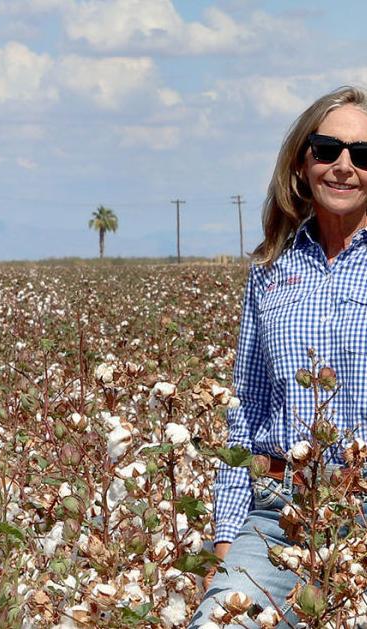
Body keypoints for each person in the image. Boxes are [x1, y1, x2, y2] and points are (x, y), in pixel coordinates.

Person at [191, 85, 367, 627]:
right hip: (279, 512)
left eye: (363, 154)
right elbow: (247, 406)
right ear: (301, 161)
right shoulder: (270, 269)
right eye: (326, 149)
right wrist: (225, 538)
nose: (343, 166)